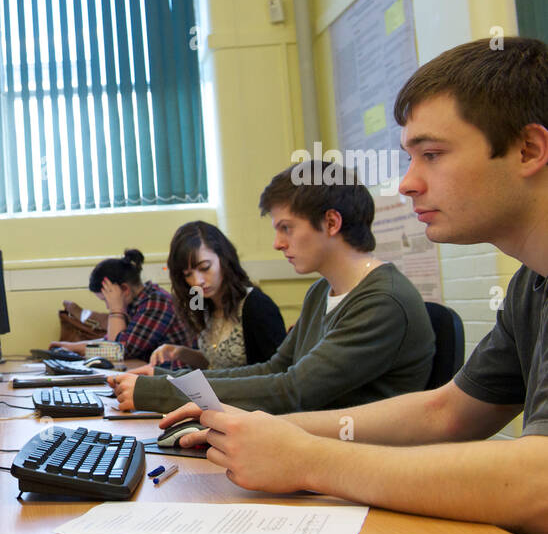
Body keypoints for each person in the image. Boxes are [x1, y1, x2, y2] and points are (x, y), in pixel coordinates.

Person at [163, 37, 548, 534]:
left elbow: (539, 485)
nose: (407, 183)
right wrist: (267, 430)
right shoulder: (530, 285)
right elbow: (446, 412)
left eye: (431, 154)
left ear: (529, 150)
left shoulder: (384, 296)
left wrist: (309, 460)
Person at [110, 160, 434, 414]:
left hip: (356, 468)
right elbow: (276, 368)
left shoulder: (382, 300)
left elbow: (293, 390)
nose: (278, 243)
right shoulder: (322, 291)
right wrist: (169, 380)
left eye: (286, 228)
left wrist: (160, 392)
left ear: (332, 223)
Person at [128, 221, 285, 374]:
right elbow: (214, 363)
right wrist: (181, 352)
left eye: (205, 268)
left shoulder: (256, 306)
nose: (198, 281)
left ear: (224, 259)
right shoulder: (203, 304)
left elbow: (275, 375)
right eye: (188, 275)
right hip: (216, 395)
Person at [50, 249, 192, 362]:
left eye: (107, 300)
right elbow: (109, 343)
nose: (107, 306)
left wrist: (116, 310)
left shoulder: (156, 303)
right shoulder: (136, 302)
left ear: (124, 289)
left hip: (176, 376)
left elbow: (117, 351)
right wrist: (69, 347)